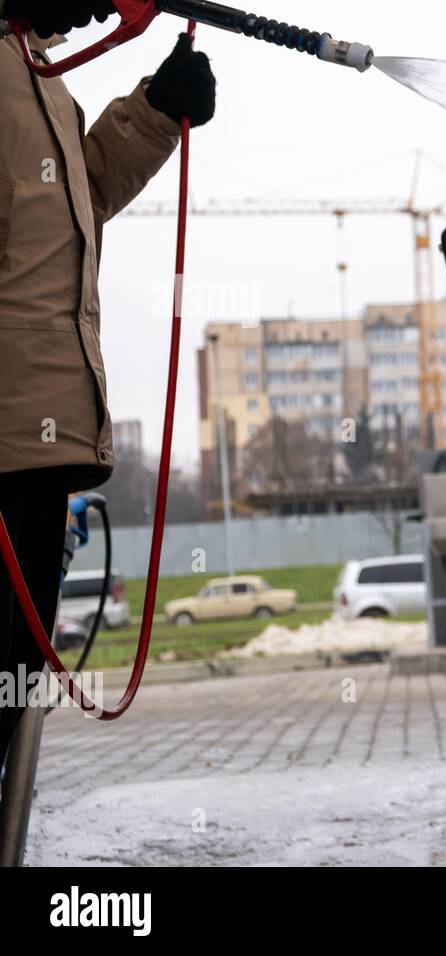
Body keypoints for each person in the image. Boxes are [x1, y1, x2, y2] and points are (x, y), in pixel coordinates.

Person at [0, 0, 216, 767]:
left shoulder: (34, 71)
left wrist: (153, 114)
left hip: (35, 440)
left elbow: (64, 211)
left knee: (13, 693)